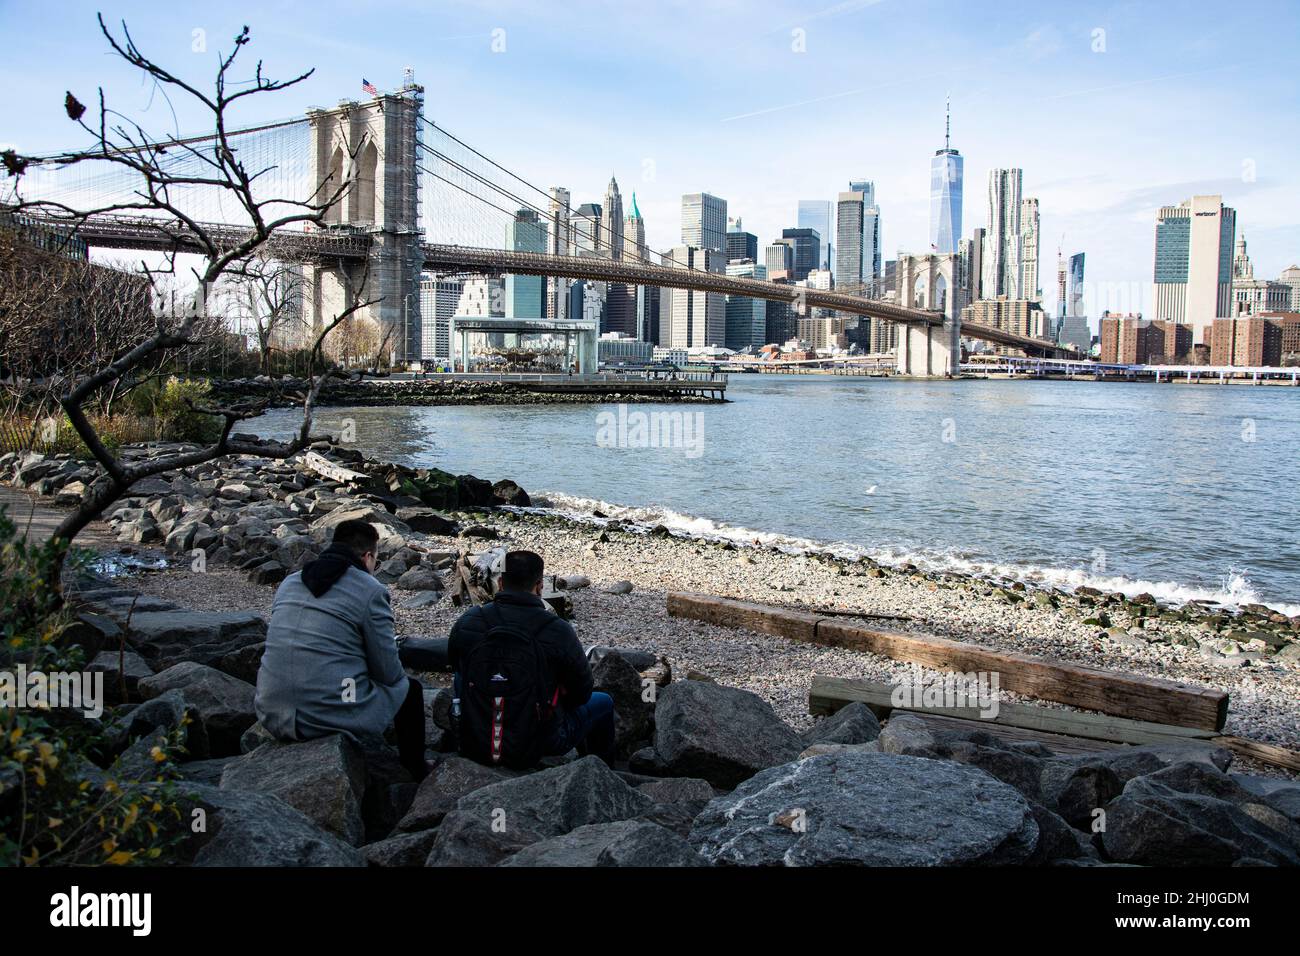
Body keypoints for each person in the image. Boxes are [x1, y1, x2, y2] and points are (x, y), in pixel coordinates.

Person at [254, 518, 428, 780]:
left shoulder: (290, 582)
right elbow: (388, 673)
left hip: (271, 709)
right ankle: (415, 772)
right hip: (323, 718)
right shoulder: (370, 590)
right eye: (376, 562)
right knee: (409, 690)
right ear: (368, 556)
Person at [448, 550, 614, 768]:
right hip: (540, 741)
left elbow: (455, 667)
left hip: (477, 736)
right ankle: (600, 776)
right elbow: (581, 693)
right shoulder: (557, 630)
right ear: (539, 586)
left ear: (500, 582)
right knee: (604, 702)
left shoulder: (469, 620)